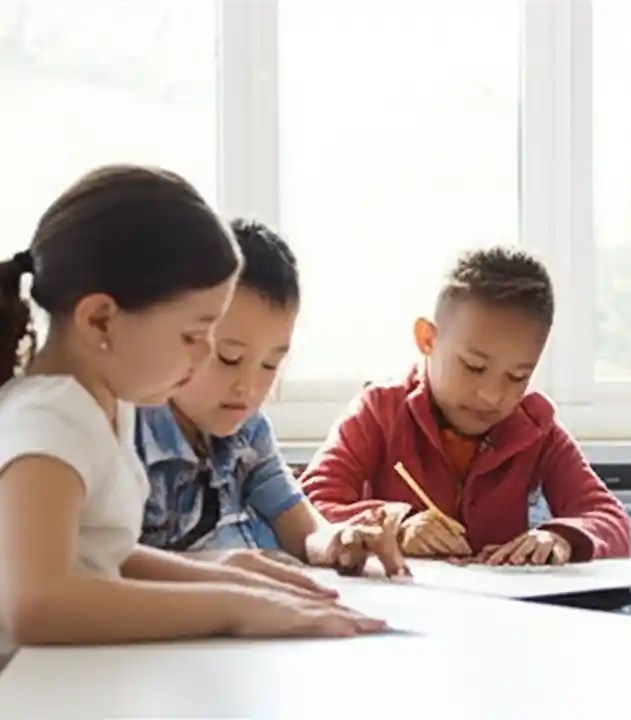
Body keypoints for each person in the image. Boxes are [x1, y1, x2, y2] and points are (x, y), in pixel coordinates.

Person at [0, 165, 385, 647]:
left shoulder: (100, 404)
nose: (203, 356)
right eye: (194, 336)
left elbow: (101, 554)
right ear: (100, 320)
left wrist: (227, 575)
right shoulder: (48, 422)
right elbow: (35, 605)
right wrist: (232, 608)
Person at [300, 247, 631, 565]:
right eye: (474, 367)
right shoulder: (379, 410)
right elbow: (307, 507)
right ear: (427, 339)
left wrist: (561, 538)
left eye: (518, 376)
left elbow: (612, 520)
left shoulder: (534, 425)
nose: (492, 395)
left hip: (503, 611)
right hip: (398, 606)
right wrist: (396, 524)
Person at [136, 218, 406, 577]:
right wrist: (223, 568)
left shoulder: (249, 431)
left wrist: (341, 540)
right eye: (229, 359)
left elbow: (304, 531)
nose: (248, 387)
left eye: (270, 365)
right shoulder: (130, 433)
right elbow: (99, 565)